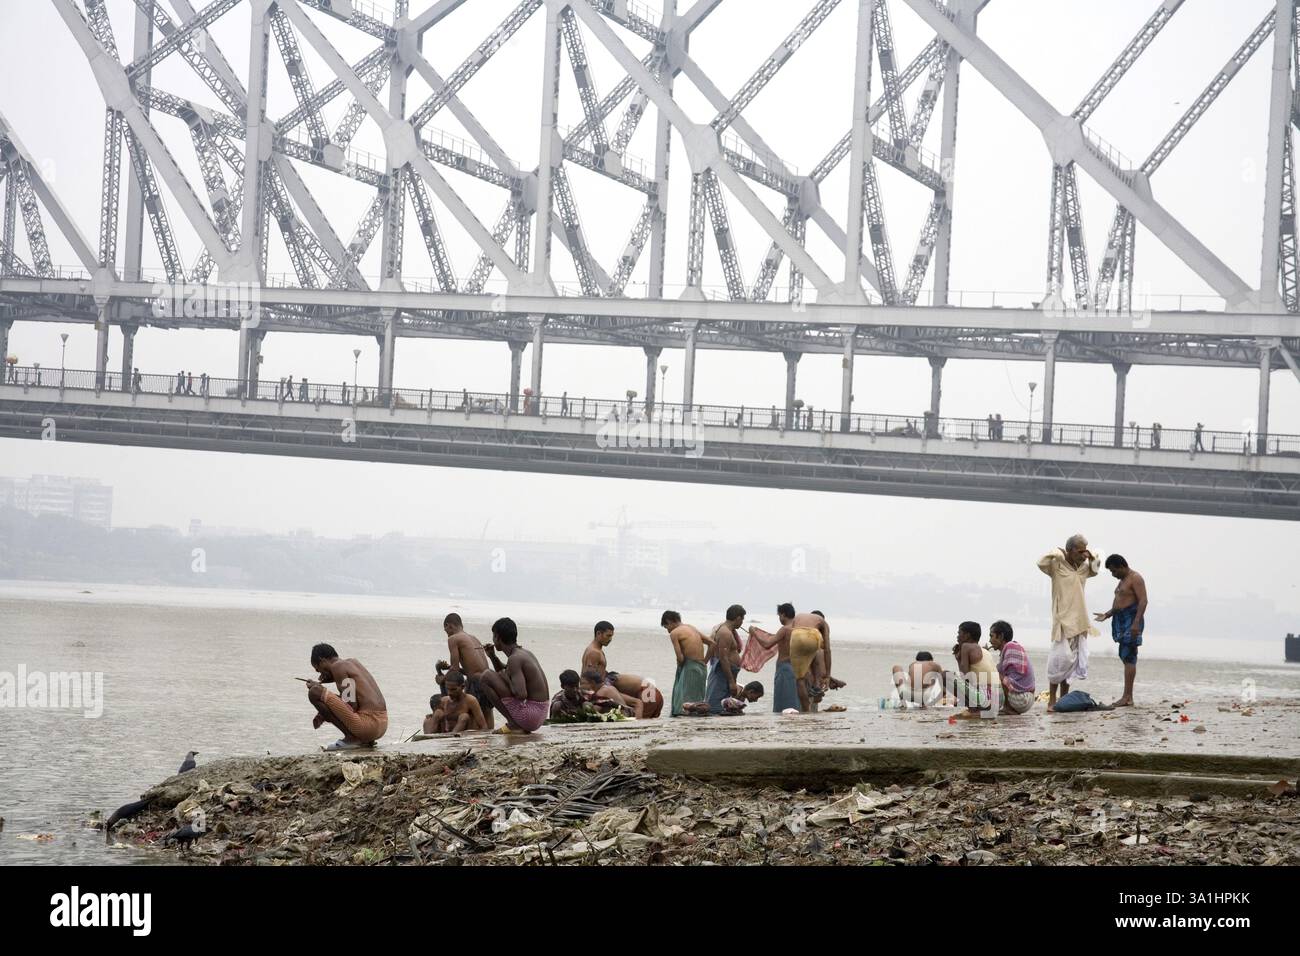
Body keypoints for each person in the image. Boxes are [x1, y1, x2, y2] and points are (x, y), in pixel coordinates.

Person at [1038, 534, 1100, 711]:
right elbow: (1041, 563)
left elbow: (1096, 569)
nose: (1084, 555)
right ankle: (1051, 701)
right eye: (1080, 551)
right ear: (1070, 550)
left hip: (1080, 622)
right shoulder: (1057, 566)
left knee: (1071, 665)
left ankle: (1062, 701)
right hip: (1062, 621)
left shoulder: (1084, 569)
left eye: (1085, 551)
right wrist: (1055, 552)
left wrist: (1092, 555)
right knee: (1058, 661)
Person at [305, 643, 388, 750]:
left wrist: (324, 710)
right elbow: (352, 694)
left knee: (314, 692)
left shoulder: (337, 667)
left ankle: (351, 738)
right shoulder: (352, 662)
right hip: (381, 725)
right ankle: (363, 741)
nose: (318, 672)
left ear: (322, 660)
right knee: (322, 693)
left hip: (367, 726)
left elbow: (350, 705)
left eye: (317, 668)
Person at [476, 617, 550, 734]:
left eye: (494, 636)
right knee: (494, 675)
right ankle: (516, 723)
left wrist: (505, 677)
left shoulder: (514, 659)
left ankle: (513, 723)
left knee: (486, 676)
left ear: (498, 637)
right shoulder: (524, 653)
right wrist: (492, 656)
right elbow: (509, 671)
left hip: (531, 716)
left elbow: (521, 694)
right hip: (540, 714)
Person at [1094, 554, 1148, 707]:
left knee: (1129, 655)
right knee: (1124, 655)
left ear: (1122, 566)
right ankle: (1127, 696)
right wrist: (1106, 614)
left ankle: (1127, 697)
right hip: (1121, 620)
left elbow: (1143, 600)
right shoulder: (1122, 581)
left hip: (1131, 619)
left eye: (1114, 571)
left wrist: (1136, 622)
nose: (1113, 574)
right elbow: (1119, 603)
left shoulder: (1135, 578)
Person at [438, 612, 494, 729]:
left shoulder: (453, 639)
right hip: (489, 680)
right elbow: (472, 668)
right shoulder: (474, 638)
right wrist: (449, 668)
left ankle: (476, 744)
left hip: (476, 682)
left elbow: (455, 668)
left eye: (446, 630)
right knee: (487, 713)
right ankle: (490, 741)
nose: (447, 634)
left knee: (474, 718)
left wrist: (442, 679)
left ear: (449, 626)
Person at [661, 610, 710, 717]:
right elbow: (712, 643)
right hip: (701, 667)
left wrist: (679, 664)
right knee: (698, 700)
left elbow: (680, 658)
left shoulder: (675, 633)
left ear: (669, 621)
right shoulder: (691, 628)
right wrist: (705, 661)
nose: (668, 631)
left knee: (685, 703)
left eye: (666, 627)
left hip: (690, 667)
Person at [705, 604, 746, 714]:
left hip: (728, 673)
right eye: (742, 619)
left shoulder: (727, 630)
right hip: (722, 674)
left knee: (726, 704)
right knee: (717, 702)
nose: (742, 623)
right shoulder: (725, 633)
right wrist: (731, 682)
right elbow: (723, 658)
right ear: (738, 618)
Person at [950, 621, 998, 715]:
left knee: (946, 676)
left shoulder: (966, 646)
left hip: (986, 699)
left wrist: (958, 659)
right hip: (998, 699)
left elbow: (965, 677)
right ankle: (976, 709)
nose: (957, 636)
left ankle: (974, 709)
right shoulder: (984, 651)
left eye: (959, 633)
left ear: (967, 635)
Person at [989, 621, 1035, 715]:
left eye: (991, 636)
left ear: (1001, 636)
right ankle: (1007, 707)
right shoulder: (1007, 650)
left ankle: (1008, 708)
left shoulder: (1011, 647)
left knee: (992, 674)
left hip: (1023, 699)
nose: (990, 640)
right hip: (1022, 698)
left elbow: (1006, 680)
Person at [429, 668, 488, 733]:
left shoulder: (471, 701)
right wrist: (432, 715)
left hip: (465, 738)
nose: (449, 693)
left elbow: (484, 727)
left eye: (453, 689)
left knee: (464, 716)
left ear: (462, 687)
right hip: (447, 737)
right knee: (434, 715)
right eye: (447, 689)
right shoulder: (444, 701)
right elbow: (436, 717)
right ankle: (428, 739)